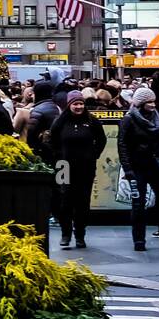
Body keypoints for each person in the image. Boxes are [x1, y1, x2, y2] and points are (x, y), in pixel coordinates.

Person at [117, 86, 159, 252]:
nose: (152, 105)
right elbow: (122, 145)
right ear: (140, 103)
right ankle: (139, 240)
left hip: (155, 164)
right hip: (137, 166)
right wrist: (128, 169)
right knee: (138, 204)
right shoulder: (129, 119)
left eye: (153, 101)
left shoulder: (156, 116)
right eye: (148, 102)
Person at [48, 92, 107, 250]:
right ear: (69, 105)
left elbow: (102, 140)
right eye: (75, 104)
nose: (79, 106)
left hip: (86, 167)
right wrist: (58, 156)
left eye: (81, 103)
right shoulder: (60, 122)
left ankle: (80, 235)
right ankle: (65, 234)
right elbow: (51, 140)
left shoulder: (92, 121)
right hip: (63, 167)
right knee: (64, 200)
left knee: (83, 202)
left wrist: (94, 155)